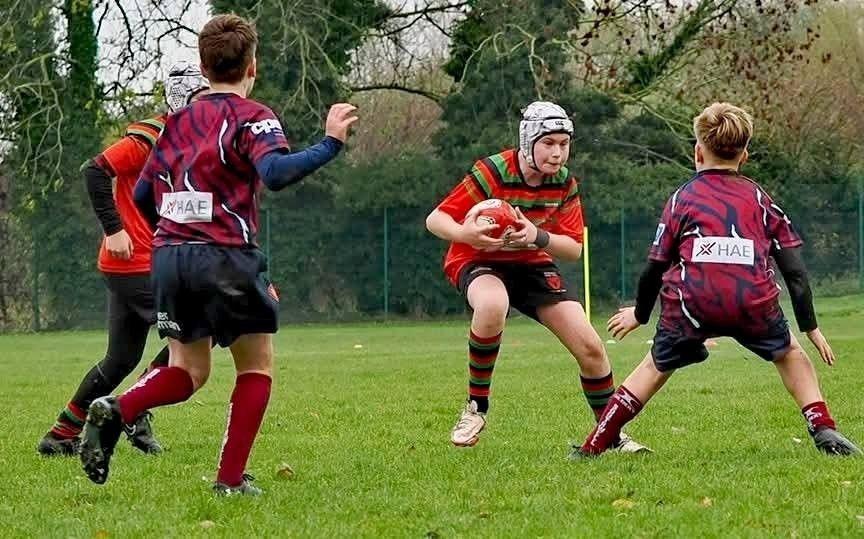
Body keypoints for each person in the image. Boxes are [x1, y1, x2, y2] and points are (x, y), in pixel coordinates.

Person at [78, 13, 358, 495]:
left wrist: (177, 233)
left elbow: (143, 196)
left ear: (204, 69)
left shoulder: (175, 123)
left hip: (169, 258)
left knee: (189, 371)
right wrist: (331, 142)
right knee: (255, 366)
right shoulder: (253, 115)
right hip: (225, 256)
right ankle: (229, 481)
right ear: (253, 65)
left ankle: (118, 408)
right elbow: (275, 173)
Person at [572, 102, 860, 458]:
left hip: (692, 305)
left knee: (654, 366)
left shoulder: (682, 199)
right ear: (745, 156)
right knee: (789, 353)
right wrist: (810, 328)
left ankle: (593, 445)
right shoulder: (760, 199)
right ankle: (823, 427)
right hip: (751, 302)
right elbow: (795, 271)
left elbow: (654, 267)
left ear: (698, 151)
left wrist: (640, 315)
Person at [425, 101, 648, 452]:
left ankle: (611, 437)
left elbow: (573, 249)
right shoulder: (493, 171)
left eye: (564, 144)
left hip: (531, 263)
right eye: (549, 143)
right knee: (492, 304)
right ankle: (476, 408)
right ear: (528, 141)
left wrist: (536, 236)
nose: (558, 153)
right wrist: (466, 234)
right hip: (477, 258)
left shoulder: (564, 183)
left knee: (591, 347)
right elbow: (435, 219)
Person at [37, 63, 210, 457]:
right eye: (203, 98)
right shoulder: (151, 135)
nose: (210, 106)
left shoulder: (197, 141)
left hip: (145, 264)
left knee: (120, 358)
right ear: (182, 100)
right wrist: (114, 229)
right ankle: (135, 408)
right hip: (137, 264)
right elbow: (95, 170)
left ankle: (61, 434)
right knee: (204, 324)